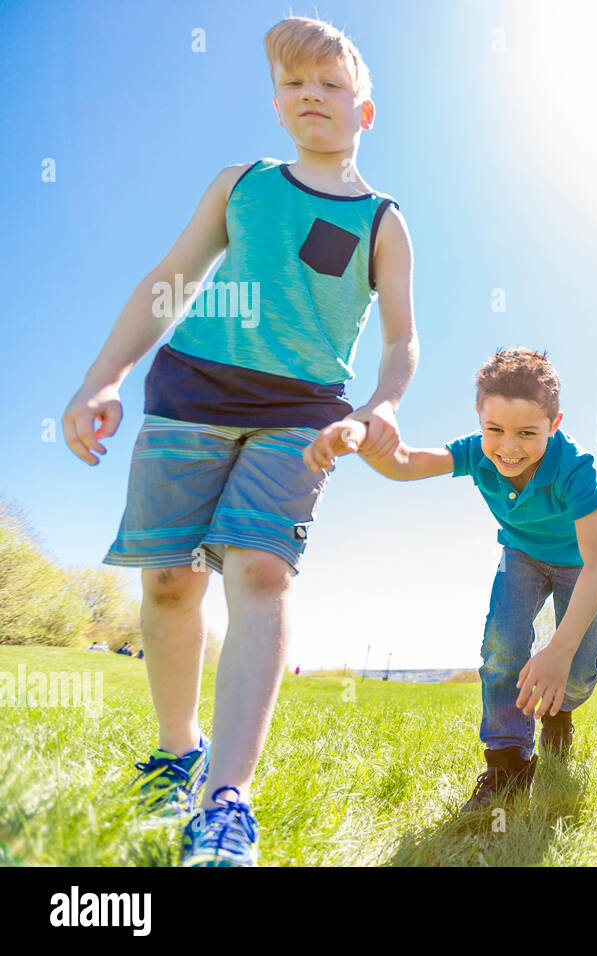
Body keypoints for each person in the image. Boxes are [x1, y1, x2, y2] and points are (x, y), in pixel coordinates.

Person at [60, 16, 417, 866]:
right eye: (294, 86)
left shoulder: (382, 220)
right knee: (172, 581)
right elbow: (170, 279)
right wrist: (100, 376)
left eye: (330, 85)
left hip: (302, 413)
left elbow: (403, 338)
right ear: (276, 105)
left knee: (259, 569)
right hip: (190, 393)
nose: (312, 97)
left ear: (364, 110)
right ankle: (176, 754)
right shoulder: (242, 183)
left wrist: (386, 403)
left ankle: (226, 800)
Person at [306, 348, 597, 811]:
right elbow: (407, 463)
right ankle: (506, 764)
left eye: (528, 433)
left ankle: (560, 712)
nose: (508, 447)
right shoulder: (476, 451)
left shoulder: (573, 468)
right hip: (521, 555)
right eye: (495, 430)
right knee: (502, 647)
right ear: (479, 418)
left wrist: (561, 650)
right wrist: (361, 440)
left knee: (580, 667)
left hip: (578, 565)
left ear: (555, 423)